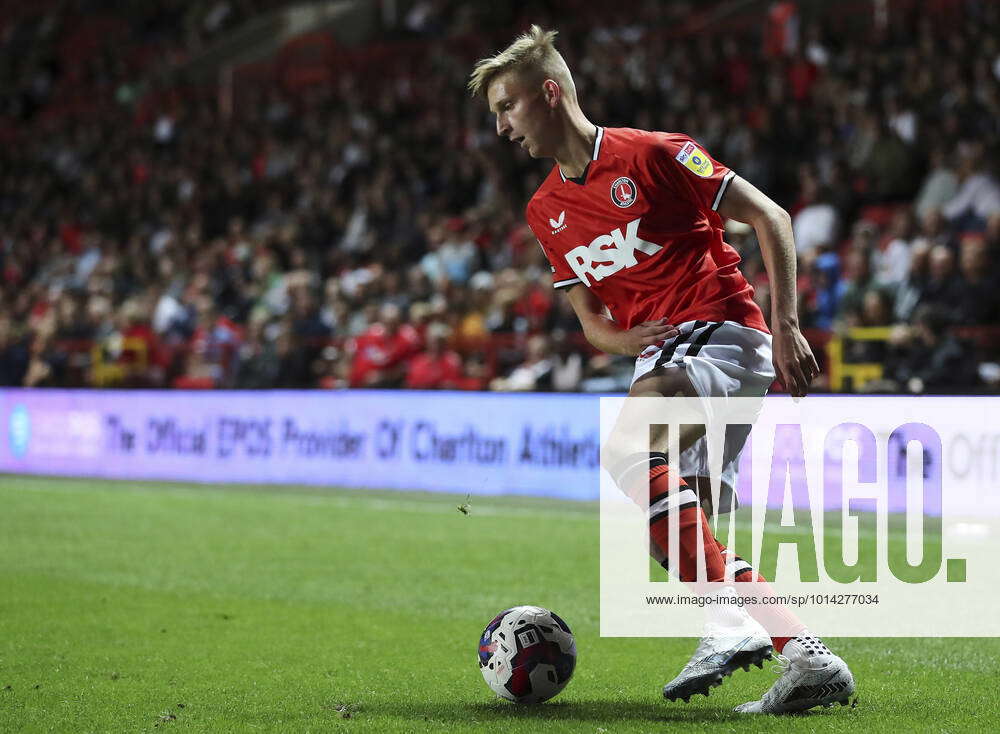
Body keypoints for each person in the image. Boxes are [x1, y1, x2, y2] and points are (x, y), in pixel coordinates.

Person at [469, 26, 854, 714]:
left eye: (507, 107)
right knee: (679, 540)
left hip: (717, 330)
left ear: (549, 93)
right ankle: (807, 658)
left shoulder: (654, 153)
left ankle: (729, 624)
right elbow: (591, 321)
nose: (501, 127)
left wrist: (789, 324)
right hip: (666, 355)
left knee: (625, 451)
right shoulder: (544, 211)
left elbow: (771, 216)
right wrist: (625, 342)